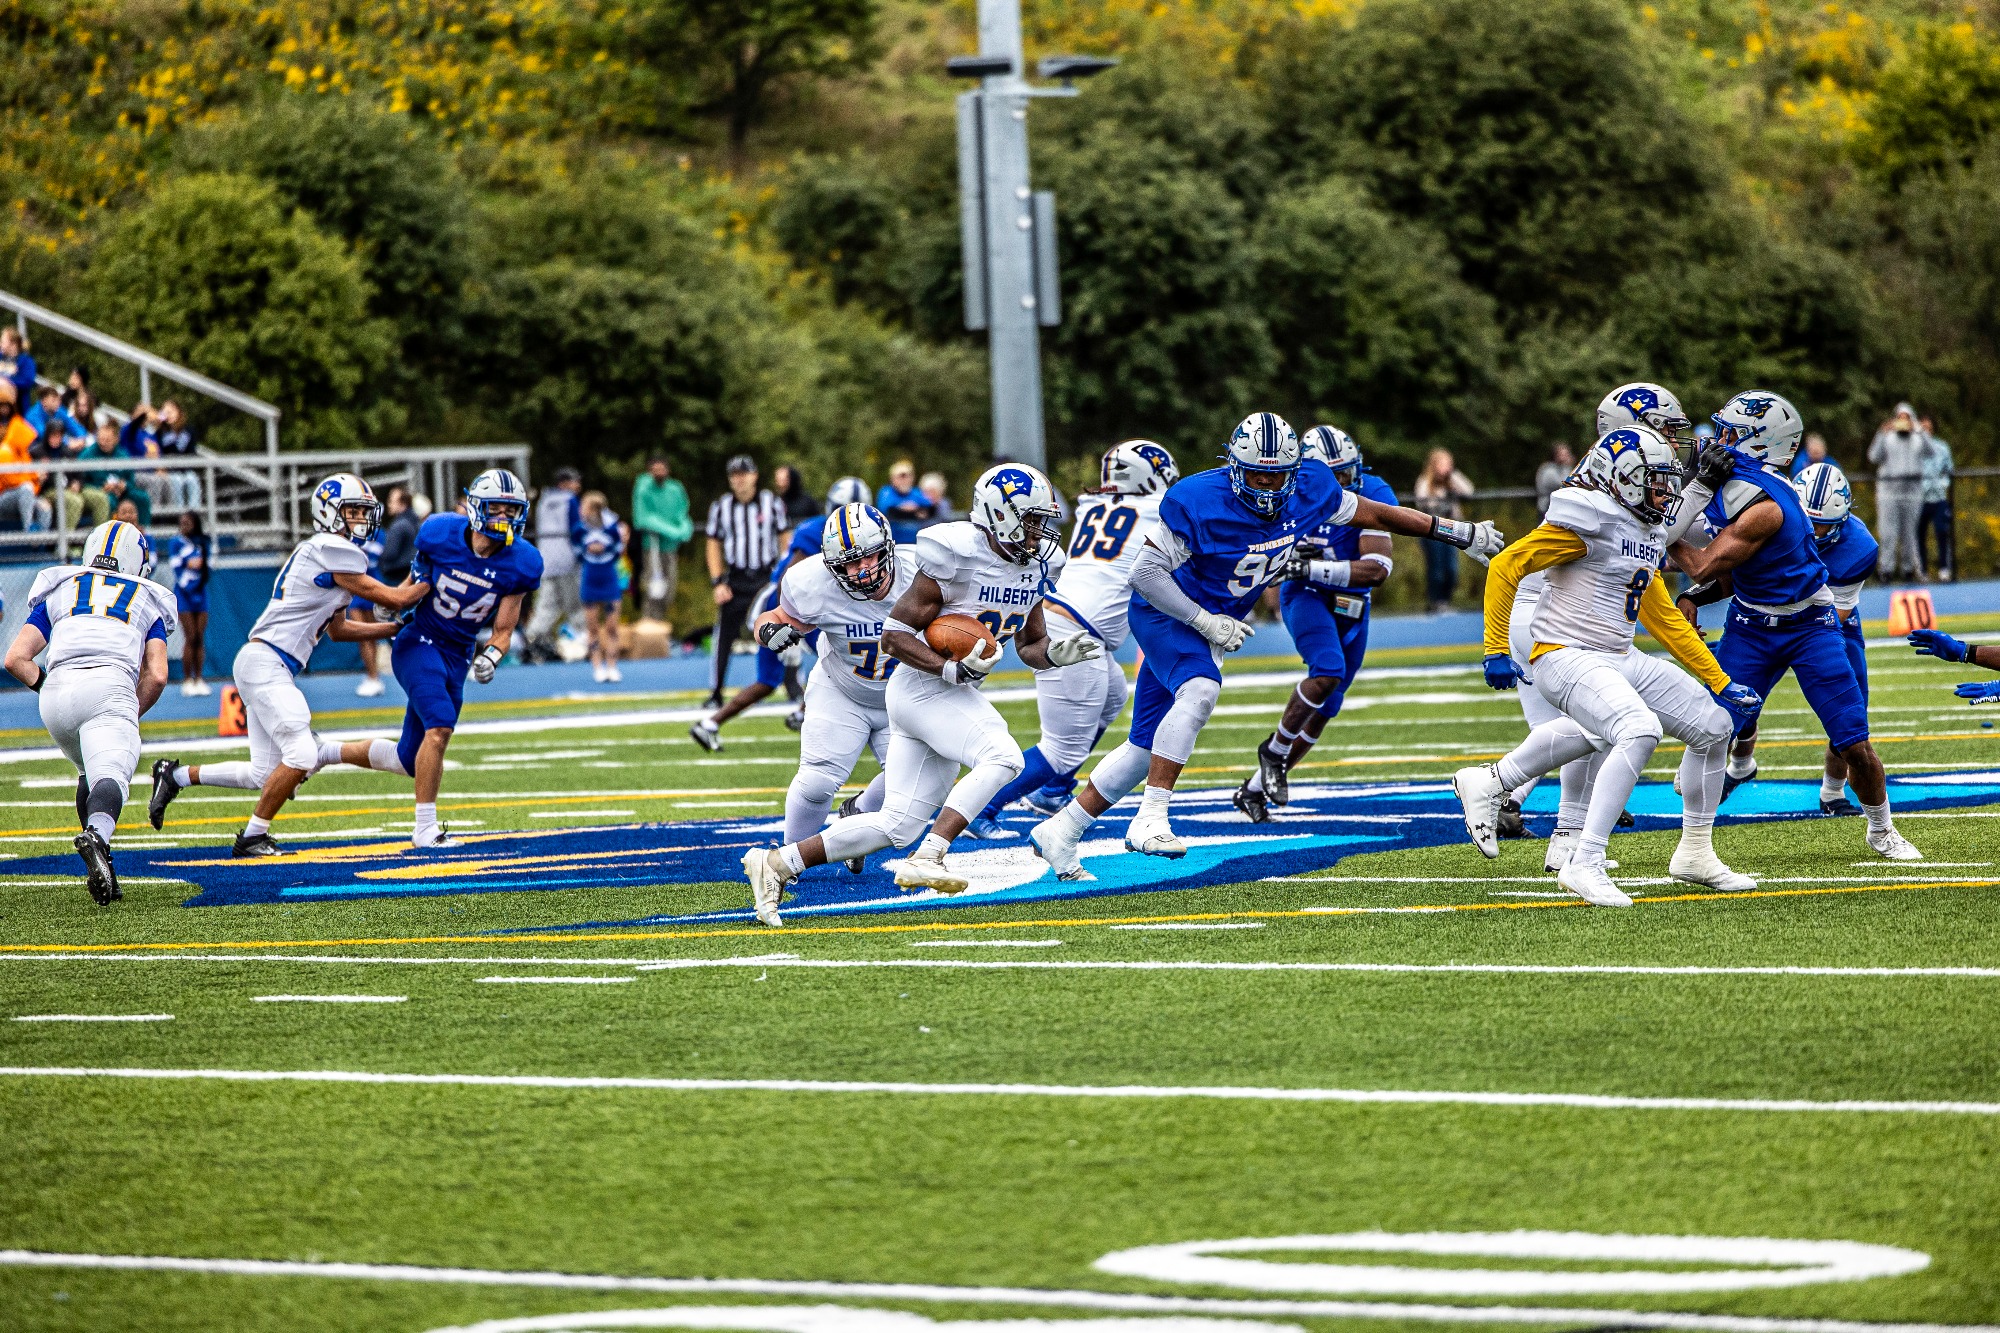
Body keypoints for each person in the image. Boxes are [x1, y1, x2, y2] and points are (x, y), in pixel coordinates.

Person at [1029, 413, 1504, 880]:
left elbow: (1376, 514)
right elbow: (1145, 576)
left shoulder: (1311, 489)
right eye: (1256, 473)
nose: (1266, 486)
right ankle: (1151, 817)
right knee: (1199, 690)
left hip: (1214, 616)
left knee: (1144, 747)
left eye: (1277, 476)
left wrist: (1457, 532)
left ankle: (1063, 829)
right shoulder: (1199, 500)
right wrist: (1205, 621)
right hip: (1167, 612)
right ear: (1233, 466)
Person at [741, 463, 1092, 920]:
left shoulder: (1040, 564)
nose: (1040, 531)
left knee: (898, 824)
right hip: (914, 685)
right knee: (1003, 757)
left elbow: (1029, 644)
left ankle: (774, 863)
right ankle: (930, 857)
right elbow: (892, 635)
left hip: (916, 689)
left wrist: (1055, 655)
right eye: (1030, 520)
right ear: (1000, 517)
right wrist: (950, 669)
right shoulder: (951, 552)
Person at [1458, 425, 1761, 907]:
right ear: (1621, 478)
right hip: (1565, 654)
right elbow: (1505, 566)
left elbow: (1662, 617)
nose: (1665, 492)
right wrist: (1495, 646)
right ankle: (1585, 861)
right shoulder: (1590, 518)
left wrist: (1719, 681)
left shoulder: (1641, 528)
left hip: (1619, 656)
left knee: (1714, 725)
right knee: (1637, 730)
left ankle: (1695, 853)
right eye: (1654, 481)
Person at [1671, 392, 1921, 861]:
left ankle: (1881, 828)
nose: (1718, 443)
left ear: (1761, 445)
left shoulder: (1768, 505)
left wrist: (1650, 538)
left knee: (1853, 740)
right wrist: (1685, 590)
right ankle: (1696, 845)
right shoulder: (1745, 491)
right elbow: (1730, 570)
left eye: (1731, 435)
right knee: (1710, 731)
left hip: (1812, 624)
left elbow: (1702, 563)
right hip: (1750, 622)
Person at [147, 476, 430, 856]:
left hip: (263, 662)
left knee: (264, 773)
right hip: (267, 663)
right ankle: (252, 836)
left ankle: (176, 775)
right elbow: (397, 597)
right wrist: (432, 571)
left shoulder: (330, 555)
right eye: (354, 511)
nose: (362, 519)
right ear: (330, 514)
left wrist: (392, 628)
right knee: (301, 755)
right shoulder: (332, 548)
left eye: (365, 511)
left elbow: (340, 630)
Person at [295, 470, 542, 850]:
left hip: (458, 655)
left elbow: (504, 628)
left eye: (513, 511)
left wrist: (492, 655)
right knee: (440, 727)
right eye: (499, 509)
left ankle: (325, 751)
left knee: (409, 759)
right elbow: (417, 581)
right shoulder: (440, 533)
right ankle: (425, 829)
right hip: (419, 642)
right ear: (477, 507)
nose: (506, 519)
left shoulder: (522, 561)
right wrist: (391, 604)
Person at [969, 441, 1178, 838]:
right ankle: (980, 808)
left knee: (1114, 694)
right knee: (1061, 748)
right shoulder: (1158, 510)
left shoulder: (1092, 504)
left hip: (1071, 620)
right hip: (1076, 631)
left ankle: (1054, 790)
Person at [742, 501, 918, 920]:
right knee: (818, 780)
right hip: (843, 691)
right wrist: (770, 630)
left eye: (867, 558)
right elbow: (776, 616)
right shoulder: (810, 582)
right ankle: (783, 865)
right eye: (848, 564)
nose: (860, 572)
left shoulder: (924, 571)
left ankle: (855, 814)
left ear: (889, 547)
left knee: (907, 792)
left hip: (908, 694)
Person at [4, 520, 175, 904]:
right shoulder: (148, 595)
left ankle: (105, 869)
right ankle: (97, 836)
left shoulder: (63, 585)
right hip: (109, 685)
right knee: (111, 773)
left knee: (88, 769)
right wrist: (130, 708)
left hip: (55, 693)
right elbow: (159, 674)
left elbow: (15, 658)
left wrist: (47, 687)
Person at [1235, 426, 1397, 822]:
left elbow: (1376, 569)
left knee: (1328, 705)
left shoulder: (1373, 491)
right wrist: (1282, 558)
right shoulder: (1285, 493)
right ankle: (1274, 752)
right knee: (1326, 671)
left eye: (1347, 473)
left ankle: (1253, 789)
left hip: (1352, 601)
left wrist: (1309, 566)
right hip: (1304, 596)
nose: (1343, 483)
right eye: (1334, 475)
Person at [1725, 464, 1880, 817]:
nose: (1813, 529)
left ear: (1841, 521)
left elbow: (1834, 614)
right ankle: (1741, 764)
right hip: (1760, 620)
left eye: (1822, 524)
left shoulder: (1858, 547)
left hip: (1824, 621)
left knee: (1850, 715)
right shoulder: (1770, 517)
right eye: (1808, 520)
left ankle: (1832, 792)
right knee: (1735, 697)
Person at [690, 476, 870, 750]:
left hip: (804, 607)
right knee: (840, 658)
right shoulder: (815, 531)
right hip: (784, 605)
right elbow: (789, 581)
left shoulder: (841, 533)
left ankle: (709, 725)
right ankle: (804, 712)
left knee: (768, 681)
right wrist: (784, 624)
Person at [702, 455, 789, 708]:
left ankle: (792, 684)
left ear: (755, 475)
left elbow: (786, 540)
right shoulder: (722, 507)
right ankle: (716, 691)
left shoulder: (771, 503)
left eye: (743, 474)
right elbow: (712, 545)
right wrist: (718, 581)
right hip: (736, 578)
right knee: (723, 636)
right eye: (734, 475)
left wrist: (783, 576)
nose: (739, 479)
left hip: (765, 576)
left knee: (782, 625)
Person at [523, 467, 583, 662]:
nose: (578, 486)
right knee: (574, 604)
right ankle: (583, 639)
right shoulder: (569, 500)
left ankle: (531, 638)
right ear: (564, 483)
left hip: (547, 559)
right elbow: (575, 529)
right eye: (575, 482)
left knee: (546, 604)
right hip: (567, 559)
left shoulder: (544, 500)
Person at [1868, 403, 1928, 581]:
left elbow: (1931, 452)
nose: (1903, 421)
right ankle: (1886, 569)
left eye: (1906, 417)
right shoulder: (1887, 437)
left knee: (1910, 533)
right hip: (1889, 492)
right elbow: (1873, 457)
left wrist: (1921, 431)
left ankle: (1908, 569)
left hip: (1912, 492)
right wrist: (1881, 433)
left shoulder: (1918, 439)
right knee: (1888, 533)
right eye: (1899, 417)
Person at [1412, 448, 1475, 611]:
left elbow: (1469, 490)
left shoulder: (1451, 481)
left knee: (1451, 570)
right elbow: (1422, 504)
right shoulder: (1425, 482)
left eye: (1449, 463)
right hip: (1432, 530)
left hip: (1451, 529)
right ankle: (1435, 602)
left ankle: (1445, 601)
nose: (1446, 466)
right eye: (1443, 463)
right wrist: (1442, 500)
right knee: (1436, 569)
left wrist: (1452, 474)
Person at [632, 457, 693, 624]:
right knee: (653, 589)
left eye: (662, 468)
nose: (659, 472)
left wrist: (684, 528)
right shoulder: (643, 487)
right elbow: (643, 518)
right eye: (655, 469)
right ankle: (649, 625)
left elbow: (682, 512)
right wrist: (672, 531)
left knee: (669, 590)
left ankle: (659, 625)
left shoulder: (675, 488)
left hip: (670, 548)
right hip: (651, 547)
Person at [574, 490, 627, 683]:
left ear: (593, 508)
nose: (581, 510)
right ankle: (597, 667)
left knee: (612, 627)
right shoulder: (580, 529)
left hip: (609, 578)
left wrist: (605, 548)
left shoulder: (612, 528)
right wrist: (589, 550)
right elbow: (577, 552)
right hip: (590, 578)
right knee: (593, 627)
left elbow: (618, 550)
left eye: (585, 507)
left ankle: (612, 666)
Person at [169, 510, 213, 697]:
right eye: (182, 523)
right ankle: (187, 679)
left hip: (201, 592)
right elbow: (176, 565)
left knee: (200, 637)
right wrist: (191, 565)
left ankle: (199, 678)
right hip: (184, 593)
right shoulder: (176, 542)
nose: (184, 526)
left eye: (188, 522)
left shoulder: (203, 542)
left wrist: (198, 565)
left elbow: (209, 564)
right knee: (190, 635)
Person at [350, 504, 388, 697]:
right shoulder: (352, 534)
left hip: (372, 586)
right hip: (356, 589)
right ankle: (372, 675)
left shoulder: (379, 535)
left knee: (371, 634)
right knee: (362, 635)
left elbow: (373, 559)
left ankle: (374, 677)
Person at [1919, 416, 1955, 582]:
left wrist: (1942, 485)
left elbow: (1949, 469)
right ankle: (1922, 570)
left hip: (1938, 497)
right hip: (1919, 499)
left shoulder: (1941, 447)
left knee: (1942, 531)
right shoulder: (1914, 448)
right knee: (1919, 535)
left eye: (1928, 428)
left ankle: (1944, 568)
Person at [0, 386, 39, 532]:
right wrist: (28, 482)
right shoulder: (4, 452)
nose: (4, 411)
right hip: (3, 495)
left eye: (6, 407)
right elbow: (11, 481)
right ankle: (29, 528)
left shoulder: (24, 454)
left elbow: (31, 477)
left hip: (21, 493)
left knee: (44, 507)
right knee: (26, 488)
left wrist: (33, 482)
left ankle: (40, 547)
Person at [154, 400, 201, 509]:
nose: (168, 415)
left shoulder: (188, 431)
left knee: (192, 479)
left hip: (186, 468)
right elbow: (159, 451)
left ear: (178, 412)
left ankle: (194, 512)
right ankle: (179, 512)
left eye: (171, 412)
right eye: (165, 412)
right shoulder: (160, 432)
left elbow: (191, 452)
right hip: (169, 470)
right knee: (177, 481)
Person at [875, 459, 931, 546]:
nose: (904, 480)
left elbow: (931, 510)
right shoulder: (886, 492)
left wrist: (904, 510)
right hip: (893, 544)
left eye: (907, 476)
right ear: (893, 478)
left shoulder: (916, 492)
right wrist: (915, 512)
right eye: (901, 477)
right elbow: (889, 512)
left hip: (914, 544)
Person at [379, 485, 421, 586]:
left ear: (403, 504)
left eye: (391, 500)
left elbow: (389, 554)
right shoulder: (414, 522)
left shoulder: (399, 525)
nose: (389, 504)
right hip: (411, 575)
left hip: (396, 579)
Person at [1534, 443, 1573, 515]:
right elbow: (1565, 483)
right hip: (1546, 508)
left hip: (1559, 508)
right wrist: (1568, 466)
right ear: (1555, 455)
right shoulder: (1548, 469)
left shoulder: (1562, 468)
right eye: (1563, 455)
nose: (1567, 457)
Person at [0, 327, 37, 398]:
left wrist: (7, 382)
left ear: (14, 344)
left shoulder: (26, 361)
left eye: (3, 342)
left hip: (14, 403)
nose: (1, 344)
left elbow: (27, 382)